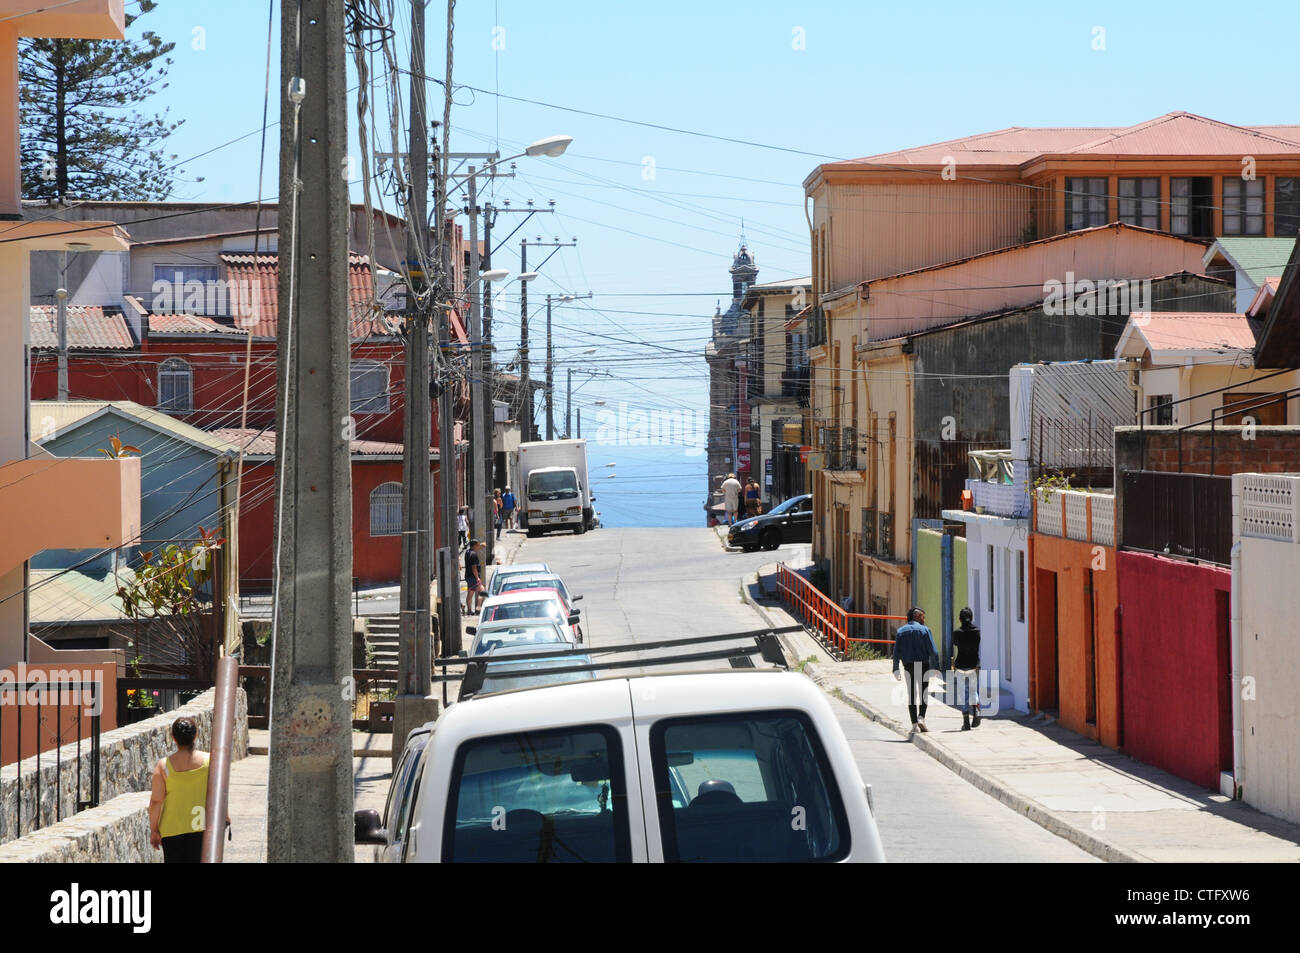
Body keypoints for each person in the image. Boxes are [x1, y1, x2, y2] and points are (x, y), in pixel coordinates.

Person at [148, 716, 222, 863]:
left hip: (172, 828)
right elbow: (219, 792)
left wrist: (154, 830)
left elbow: (156, 801)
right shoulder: (210, 761)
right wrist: (224, 815)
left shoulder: (163, 766)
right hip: (201, 825)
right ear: (195, 735)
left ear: (174, 738)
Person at [892, 606, 938, 733]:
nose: (924, 619)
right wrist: (936, 667)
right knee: (923, 693)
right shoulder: (925, 630)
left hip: (909, 666)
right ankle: (921, 718)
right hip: (923, 666)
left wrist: (895, 668)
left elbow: (896, 652)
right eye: (923, 617)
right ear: (917, 616)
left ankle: (913, 724)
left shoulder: (901, 631)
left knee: (912, 695)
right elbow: (933, 651)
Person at [952, 606, 982, 730]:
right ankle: (976, 711)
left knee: (963, 693)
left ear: (960, 619)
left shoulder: (957, 633)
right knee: (973, 689)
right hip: (973, 665)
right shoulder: (977, 632)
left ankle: (966, 722)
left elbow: (955, 643)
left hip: (960, 665)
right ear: (972, 617)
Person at [464, 539, 486, 614]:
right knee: (482, 591)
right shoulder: (474, 555)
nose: (478, 546)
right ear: (474, 545)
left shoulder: (467, 552)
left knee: (470, 593)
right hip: (473, 577)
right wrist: (477, 578)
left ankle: (469, 610)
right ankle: (478, 608)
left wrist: (481, 546)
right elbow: (474, 568)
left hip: (468, 576)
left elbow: (476, 547)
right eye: (477, 545)